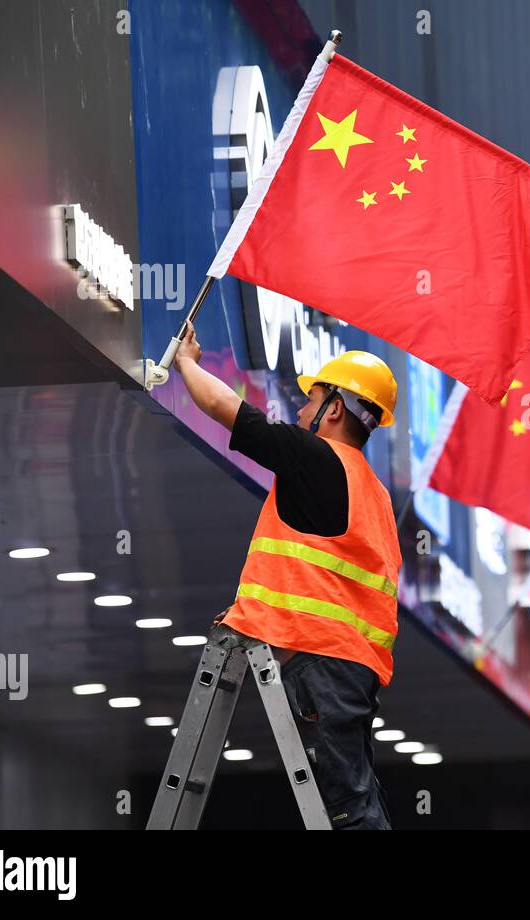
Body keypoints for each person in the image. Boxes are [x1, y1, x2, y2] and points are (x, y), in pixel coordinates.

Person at [173, 319, 401, 830]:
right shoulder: (375, 494)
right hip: (350, 666)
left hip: (322, 660)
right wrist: (251, 613)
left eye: (310, 399)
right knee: (357, 800)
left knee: (348, 811)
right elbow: (322, 575)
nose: (300, 410)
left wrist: (186, 362)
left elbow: (224, 409)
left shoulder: (316, 458)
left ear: (335, 408)